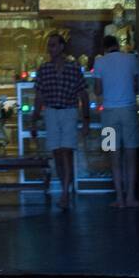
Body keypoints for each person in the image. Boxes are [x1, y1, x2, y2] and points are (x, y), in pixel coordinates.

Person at [30, 32, 89, 209]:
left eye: (54, 45)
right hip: (51, 112)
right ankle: (65, 187)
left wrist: (86, 119)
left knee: (66, 151)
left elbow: (83, 95)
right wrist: (34, 119)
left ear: (62, 47)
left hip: (69, 111)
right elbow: (39, 97)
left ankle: (65, 192)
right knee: (56, 152)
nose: (51, 48)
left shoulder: (73, 68)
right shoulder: (44, 69)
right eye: (49, 45)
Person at [92, 34, 139, 208]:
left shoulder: (99, 62)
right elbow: (137, 85)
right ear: (117, 45)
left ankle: (119, 198)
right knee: (131, 154)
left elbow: (97, 90)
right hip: (129, 111)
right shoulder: (131, 59)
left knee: (113, 156)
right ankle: (131, 198)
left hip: (108, 113)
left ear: (104, 48)